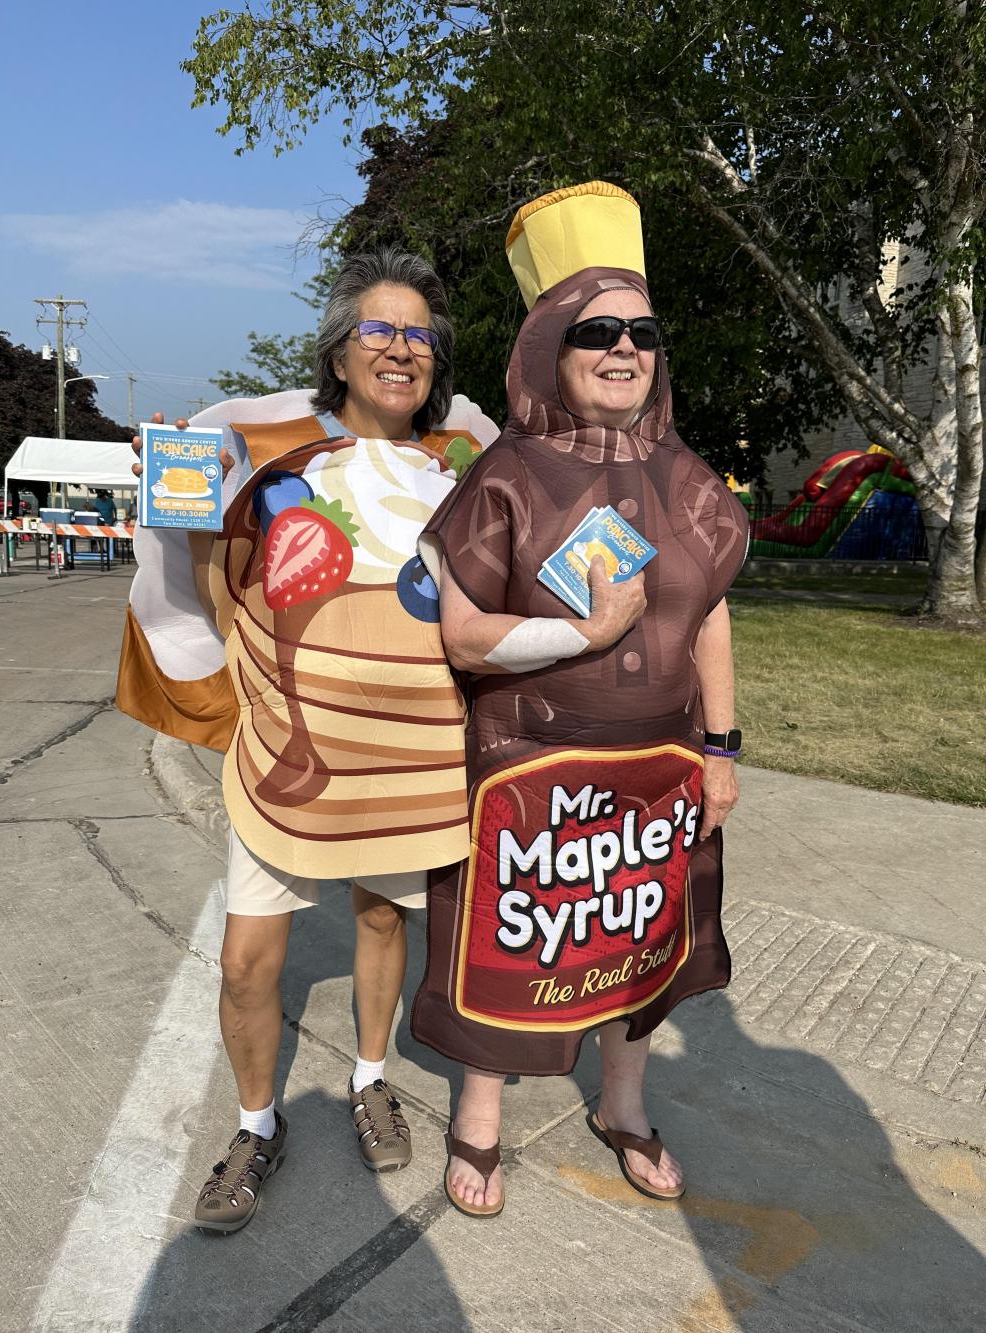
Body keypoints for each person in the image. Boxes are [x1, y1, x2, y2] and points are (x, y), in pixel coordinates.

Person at [117, 247, 497, 1232]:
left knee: (382, 923)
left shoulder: (468, 454)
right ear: (338, 353)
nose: (402, 348)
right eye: (380, 328)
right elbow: (221, 590)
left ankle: (371, 1079)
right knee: (248, 961)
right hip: (290, 762)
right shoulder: (268, 445)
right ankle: (255, 1124)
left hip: (412, 760)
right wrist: (180, 502)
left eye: (420, 333)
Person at [410, 183, 749, 1217]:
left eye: (641, 333)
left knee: (643, 942)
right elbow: (463, 633)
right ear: (549, 348)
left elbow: (711, 620)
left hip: (660, 768)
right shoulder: (504, 476)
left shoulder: (687, 476)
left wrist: (723, 745)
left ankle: (623, 1106)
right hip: (526, 768)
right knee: (507, 945)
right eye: (597, 330)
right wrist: (587, 634)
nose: (623, 349)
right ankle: (480, 1119)